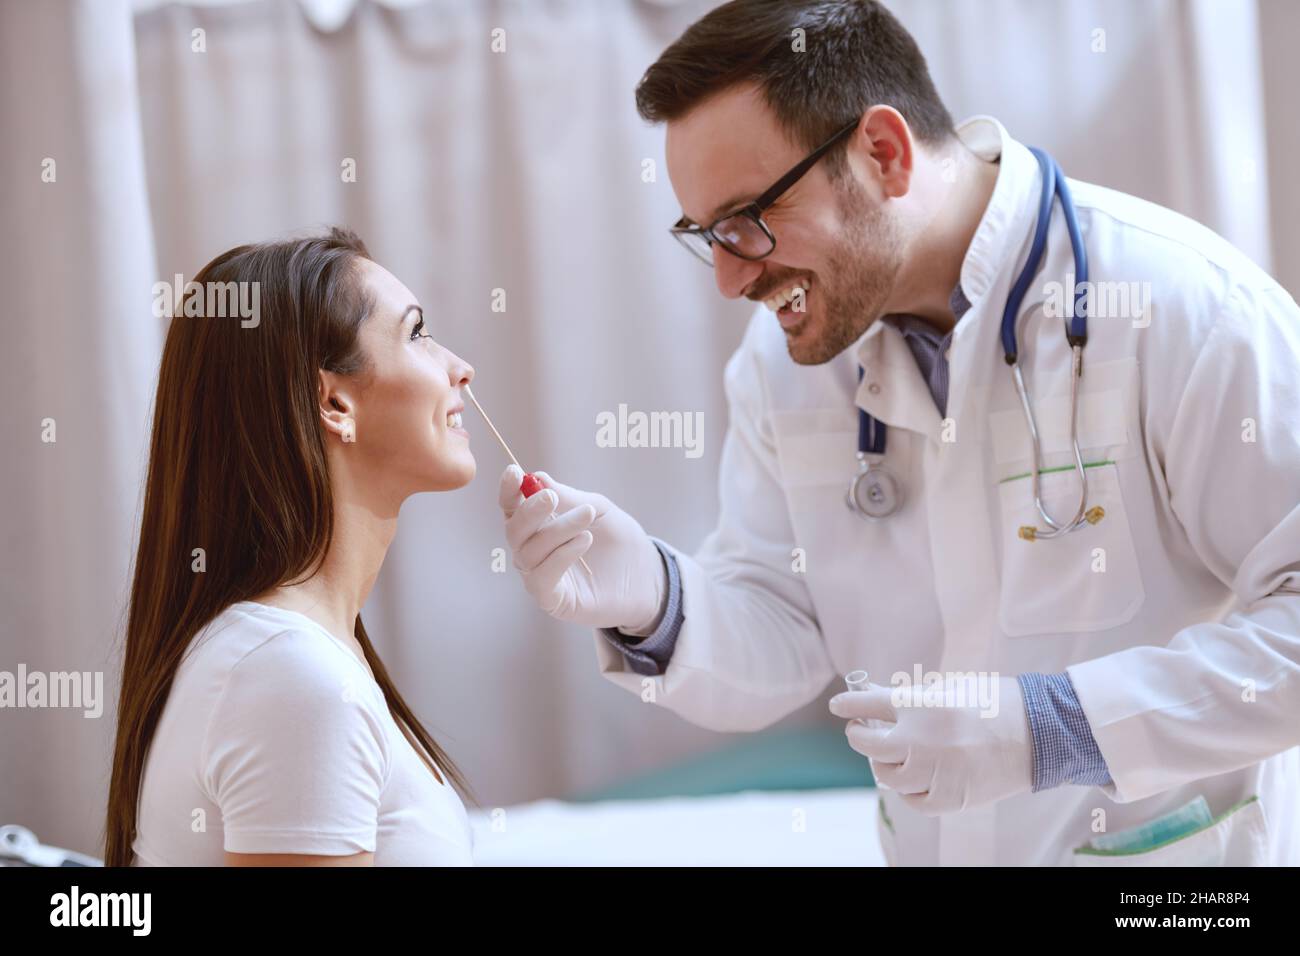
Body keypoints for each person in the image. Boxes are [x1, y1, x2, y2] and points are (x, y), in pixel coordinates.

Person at [497, 0, 1300, 865]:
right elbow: (786, 625)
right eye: (707, 236)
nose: (729, 279)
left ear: (882, 153)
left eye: (747, 221)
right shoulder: (781, 365)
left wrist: (1054, 727)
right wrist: (654, 599)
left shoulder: (1184, 306)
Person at [106, 227, 478, 866]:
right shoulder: (294, 678)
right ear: (334, 400)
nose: (459, 368)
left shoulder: (297, 657)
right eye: (417, 333)